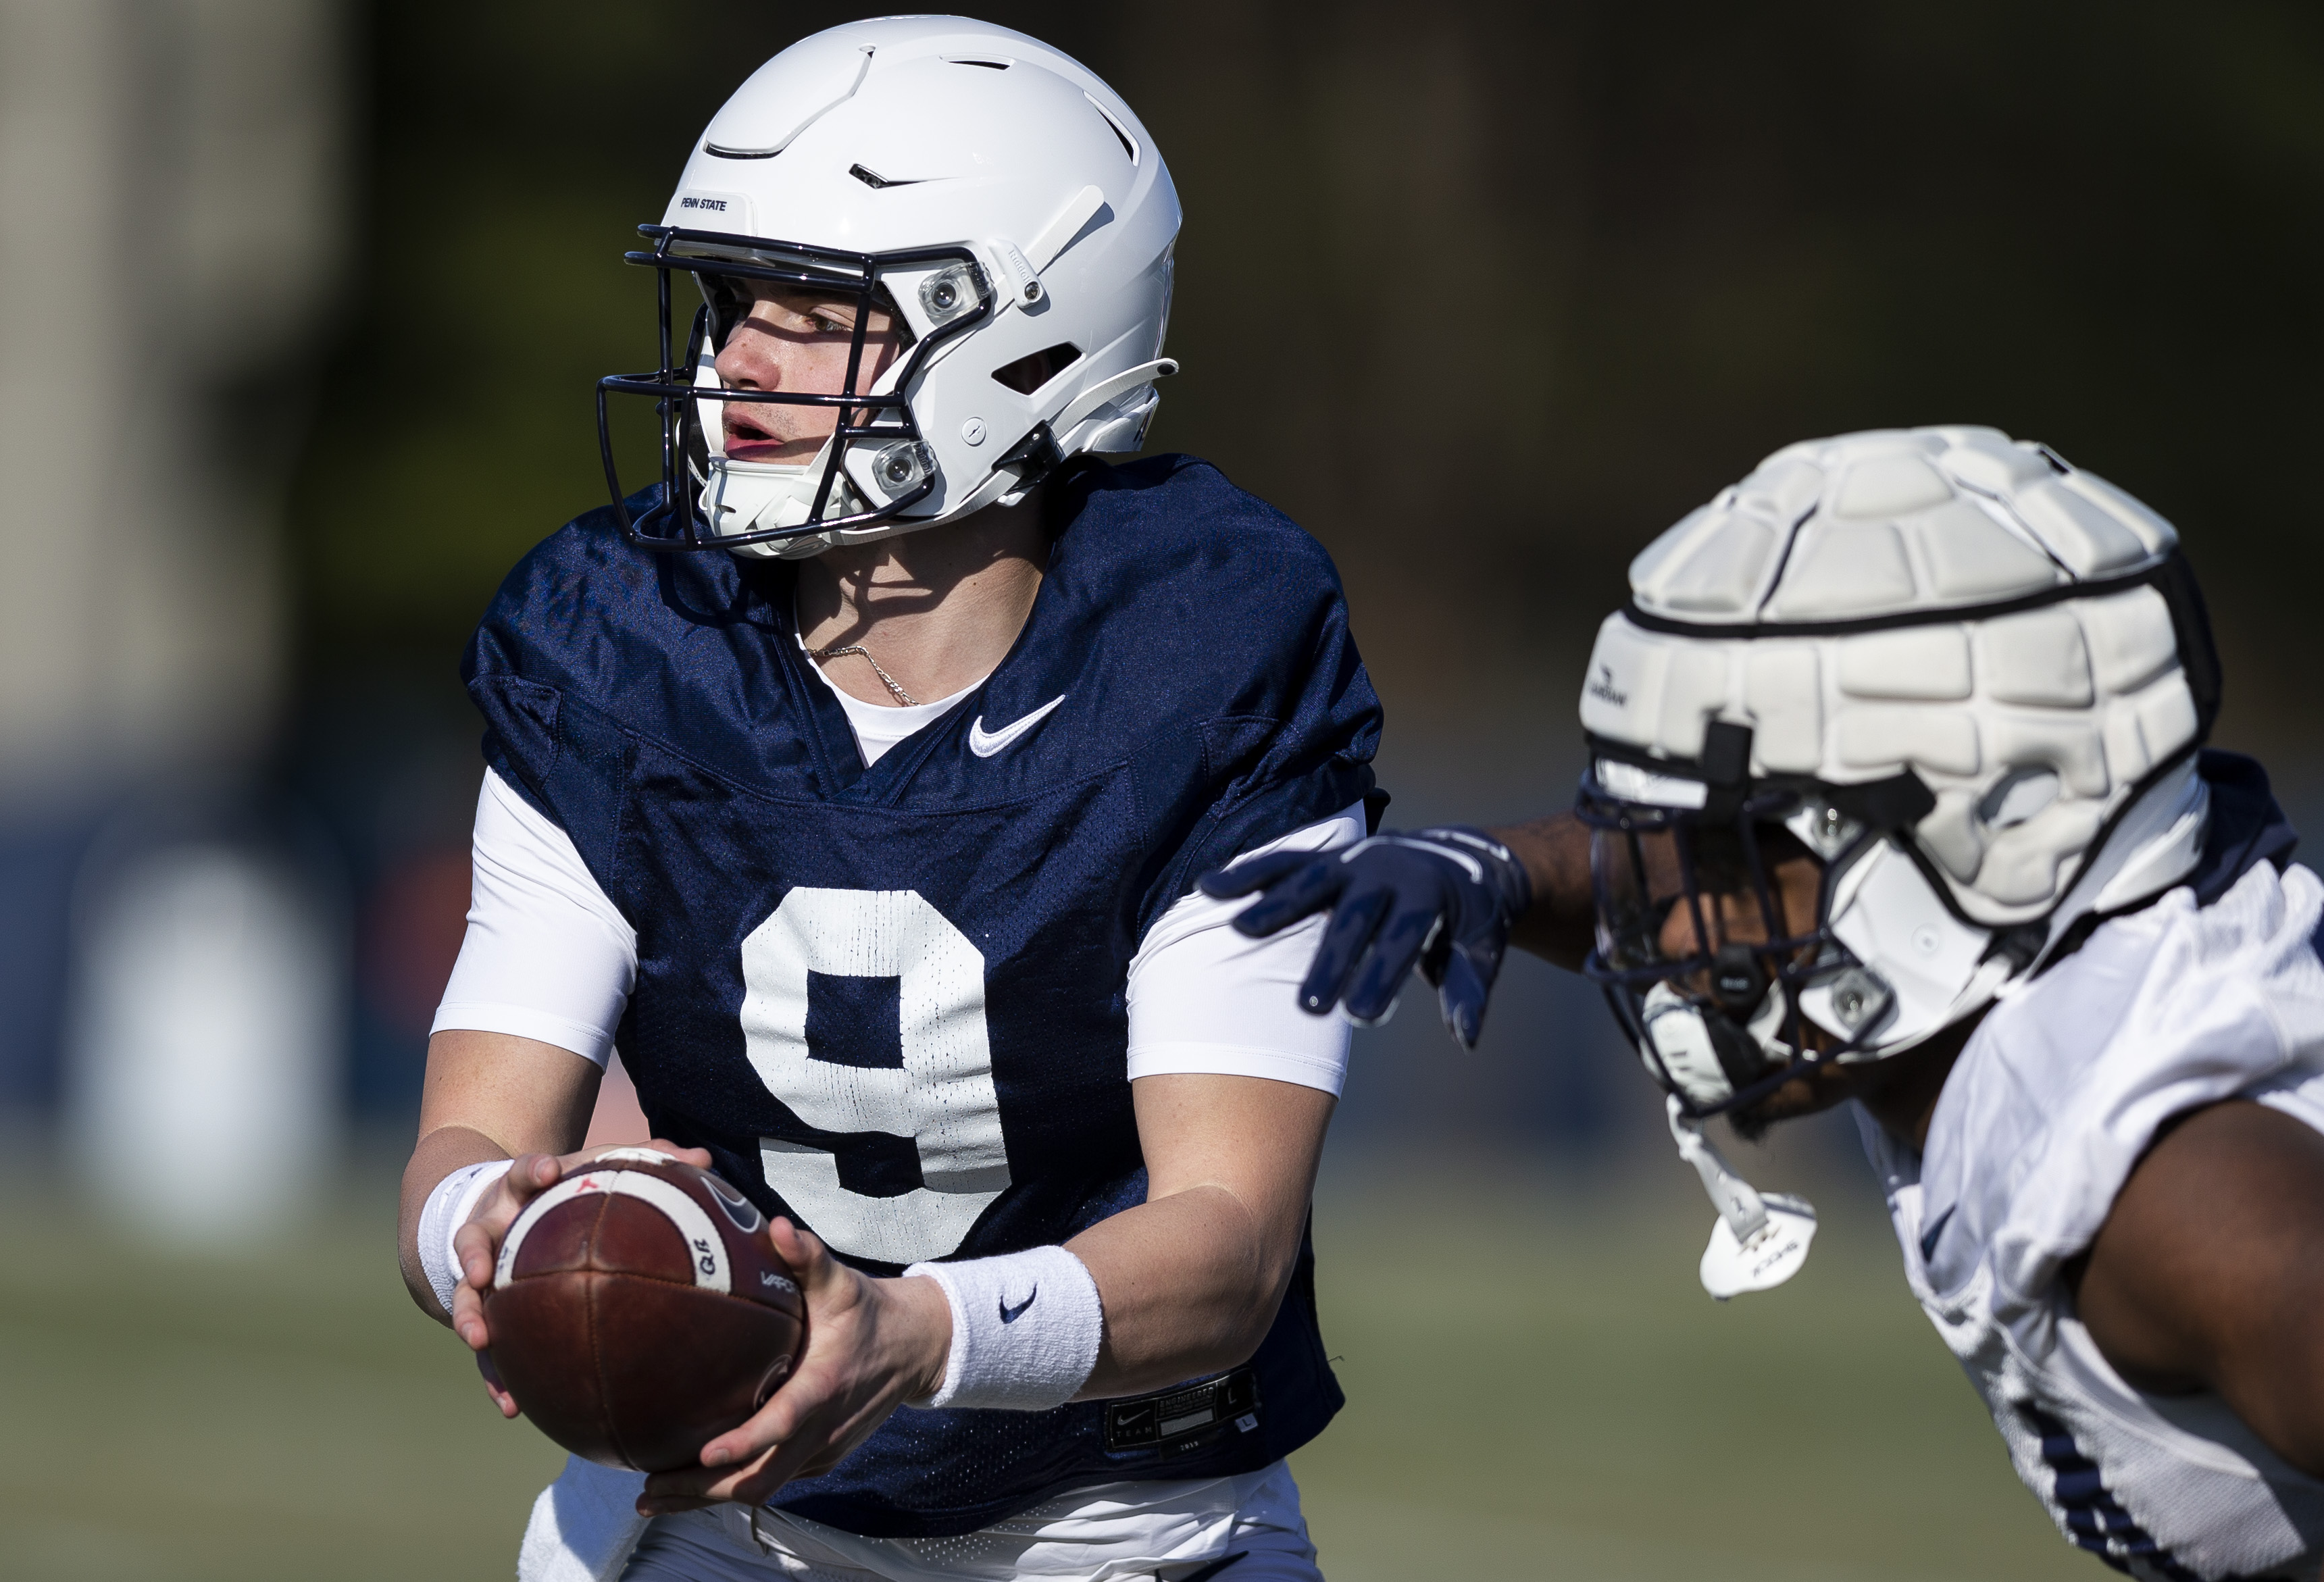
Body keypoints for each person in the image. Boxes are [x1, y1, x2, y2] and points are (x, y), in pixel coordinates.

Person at [393, 20, 1381, 1582]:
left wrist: (914, 1336)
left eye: (818, 313)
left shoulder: (1207, 651)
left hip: (1126, 1528)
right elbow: (466, 1135)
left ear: (1028, 347)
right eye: (732, 304)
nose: (738, 363)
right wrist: (486, 1236)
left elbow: (1226, 1246)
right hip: (713, 1520)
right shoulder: (618, 635)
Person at [1208, 426, 2324, 1580]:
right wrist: (1491, 867)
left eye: (1733, 862)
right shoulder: (2048, 965)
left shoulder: (2166, 1188)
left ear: (1996, 829)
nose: (1675, 929)